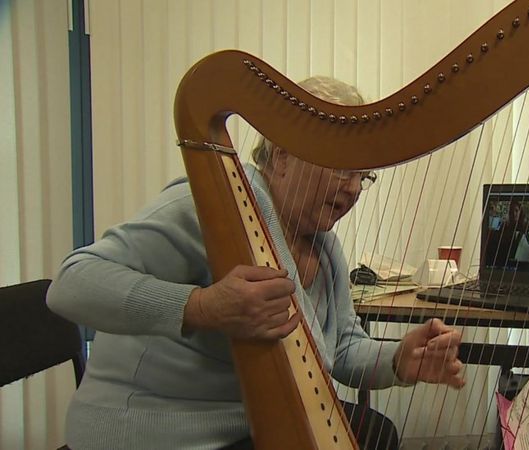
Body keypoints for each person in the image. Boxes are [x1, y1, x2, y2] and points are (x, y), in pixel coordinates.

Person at [46, 76, 465, 450]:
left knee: (378, 433)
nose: (354, 189)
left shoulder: (325, 247)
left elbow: (341, 348)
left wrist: (399, 360)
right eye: (342, 168)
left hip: (257, 422)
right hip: (156, 430)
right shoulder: (210, 206)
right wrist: (204, 306)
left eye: (363, 176)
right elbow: (72, 283)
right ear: (281, 157)